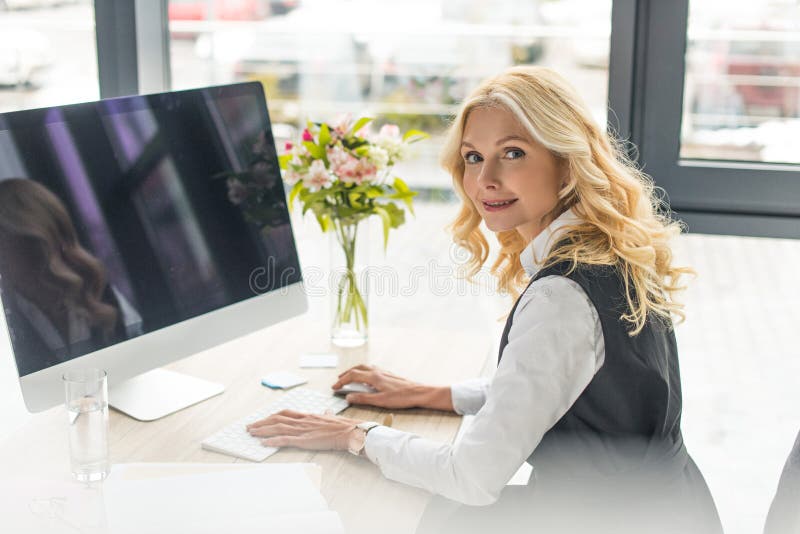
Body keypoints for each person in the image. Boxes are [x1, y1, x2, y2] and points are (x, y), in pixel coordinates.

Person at [246, 66, 723, 533]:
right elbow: (560, 388)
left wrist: (353, 435)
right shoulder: (608, 249)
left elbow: (471, 477)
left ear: (567, 161)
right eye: (473, 157)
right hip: (664, 508)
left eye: (512, 153)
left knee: (369, 511)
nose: (484, 180)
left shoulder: (561, 297)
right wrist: (432, 395)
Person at [0, 178, 142, 376]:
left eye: (24, 243)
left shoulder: (100, 293)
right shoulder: (6, 323)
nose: (6, 259)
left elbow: (140, 365)